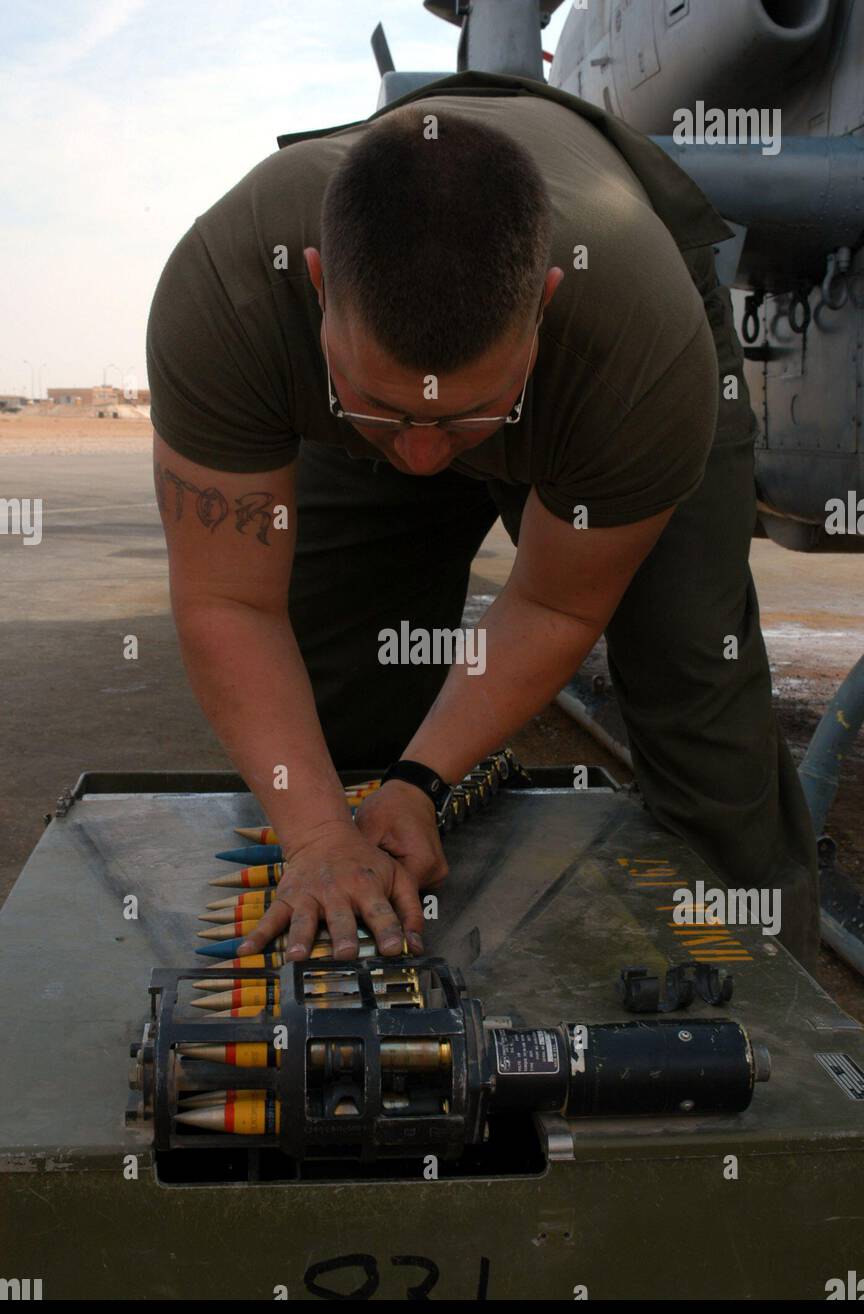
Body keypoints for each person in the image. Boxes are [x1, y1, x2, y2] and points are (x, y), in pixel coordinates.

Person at [146, 71, 820, 970]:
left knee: (696, 688)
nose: (425, 459)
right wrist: (317, 832)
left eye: (466, 421)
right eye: (386, 411)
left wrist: (427, 779)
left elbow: (555, 606)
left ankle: (770, 1035)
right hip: (405, 325)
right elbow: (231, 603)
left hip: (613, 336)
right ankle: (380, 958)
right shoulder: (227, 299)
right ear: (315, 287)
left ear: (541, 306)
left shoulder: (640, 352)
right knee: (334, 676)